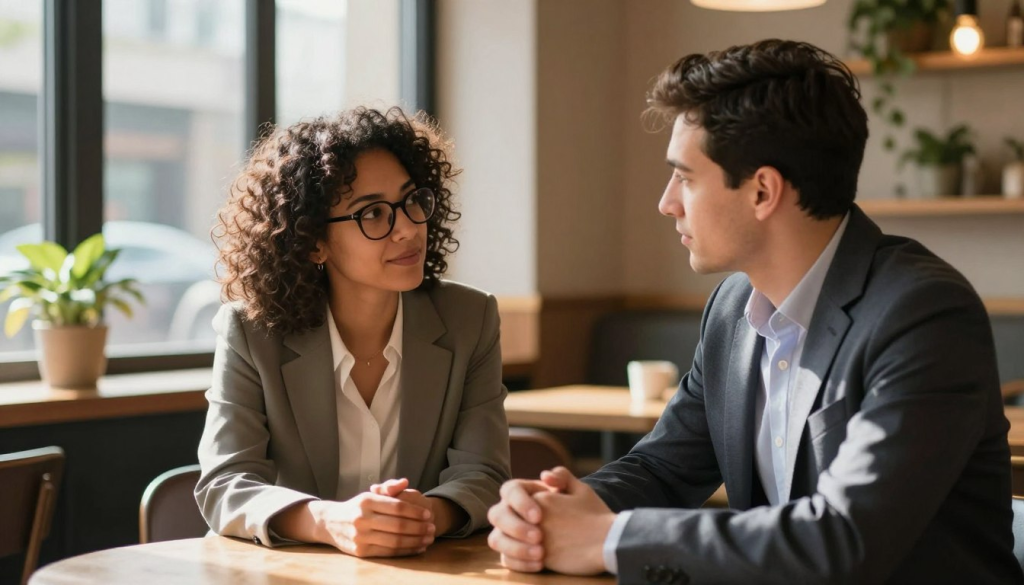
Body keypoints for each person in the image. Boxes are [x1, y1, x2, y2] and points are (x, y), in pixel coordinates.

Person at [487, 39, 1022, 583]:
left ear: (763, 191)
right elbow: (664, 468)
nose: (666, 202)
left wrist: (609, 539)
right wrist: (553, 513)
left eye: (686, 177)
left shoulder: (923, 314)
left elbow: (845, 539)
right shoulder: (732, 309)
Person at [196, 106, 510, 558]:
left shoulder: (470, 318)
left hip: (418, 571)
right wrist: (330, 521)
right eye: (374, 213)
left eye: (412, 201)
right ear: (314, 242)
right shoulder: (251, 332)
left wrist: (421, 515)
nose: (407, 228)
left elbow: (484, 474)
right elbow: (225, 484)